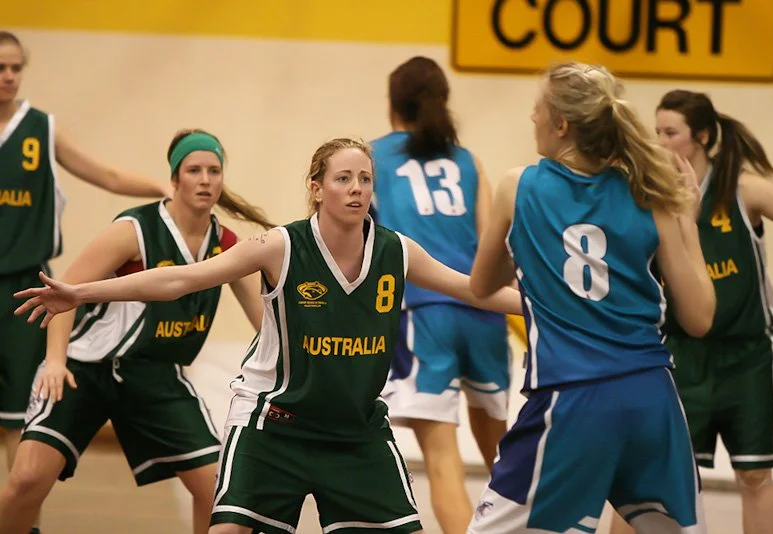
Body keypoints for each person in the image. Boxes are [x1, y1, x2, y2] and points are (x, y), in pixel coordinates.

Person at [12, 137, 523, 534]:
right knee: (228, 522)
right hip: (274, 425)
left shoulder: (397, 251)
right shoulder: (279, 246)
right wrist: (81, 293)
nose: (357, 188)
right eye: (343, 178)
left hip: (354, 430)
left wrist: (550, 306)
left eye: (365, 179)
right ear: (317, 188)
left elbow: (473, 289)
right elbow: (178, 280)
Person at [465, 62, 715, 533]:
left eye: (538, 107)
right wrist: (687, 219)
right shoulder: (651, 194)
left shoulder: (519, 186)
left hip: (572, 400)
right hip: (653, 400)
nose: (532, 116)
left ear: (561, 124)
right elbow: (700, 318)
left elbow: (481, 286)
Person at [0, 129, 270, 534]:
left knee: (218, 490)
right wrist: (55, 361)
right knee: (27, 480)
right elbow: (62, 296)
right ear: (175, 179)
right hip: (86, 369)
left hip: (156, 375)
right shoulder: (134, 229)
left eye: (214, 170)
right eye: (194, 170)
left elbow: (266, 325)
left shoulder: (228, 244)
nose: (205, 179)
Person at [0, 31, 170, 524]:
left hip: (21, 286)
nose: (9, 77)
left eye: (15, 68)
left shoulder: (41, 128)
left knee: (18, 417)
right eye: (0, 68)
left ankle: (22, 522)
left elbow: (109, 177)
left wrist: (164, 185)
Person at [371, 56, 511, 533]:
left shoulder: (369, 158)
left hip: (423, 312)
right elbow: (494, 240)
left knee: (442, 460)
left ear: (393, 104)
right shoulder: (468, 161)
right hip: (484, 311)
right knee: (503, 459)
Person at [647, 90, 773, 534]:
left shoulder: (744, 190)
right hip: (682, 354)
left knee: (755, 474)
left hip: (747, 355)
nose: (660, 142)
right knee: (659, 477)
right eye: (655, 132)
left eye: (670, 133)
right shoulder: (654, 196)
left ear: (703, 137)